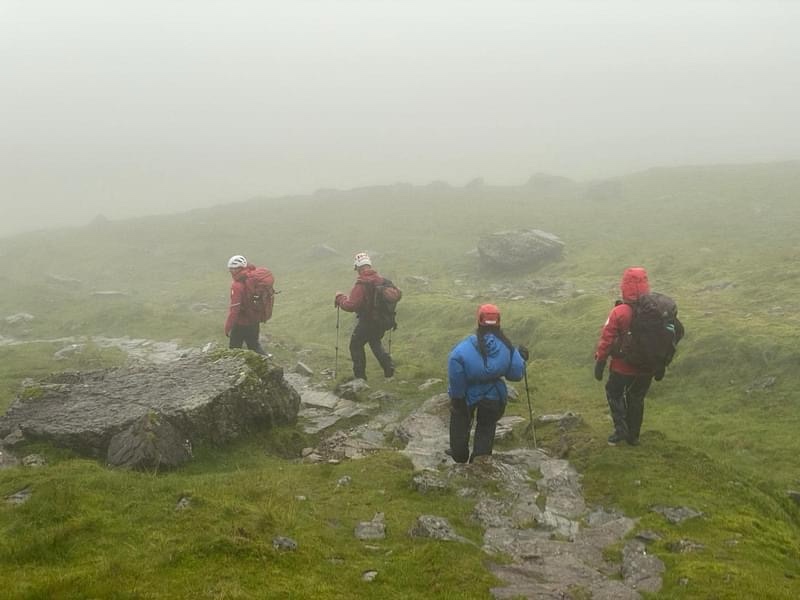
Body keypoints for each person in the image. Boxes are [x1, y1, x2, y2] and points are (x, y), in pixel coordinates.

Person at [447, 303, 527, 463]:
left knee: (460, 420)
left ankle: (459, 455)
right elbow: (516, 374)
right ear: (499, 321)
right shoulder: (507, 346)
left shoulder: (466, 346)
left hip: (468, 393)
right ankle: (480, 461)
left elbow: (455, 364)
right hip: (494, 395)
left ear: (479, 320)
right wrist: (521, 357)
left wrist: (457, 397)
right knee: (486, 426)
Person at [593, 266, 653, 446]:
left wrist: (600, 361)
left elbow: (607, 339)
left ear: (625, 286)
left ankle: (621, 429)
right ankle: (633, 436)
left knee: (614, 393)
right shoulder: (655, 311)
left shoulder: (619, 312)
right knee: (636, 398)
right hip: (646, 368)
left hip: (622, 367)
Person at [334, 252, 395, 380]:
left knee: (355, 345)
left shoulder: (362, 283)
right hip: (382, 321)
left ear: (358, 268)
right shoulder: (382, 280)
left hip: (367, 321)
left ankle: (360, 377)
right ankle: (388, 368)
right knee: (375, 341)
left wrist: (340, 298)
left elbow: (351, 305)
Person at [224, 254, 268, 355]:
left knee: (234, 350)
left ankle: (235, 366)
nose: (230, 271)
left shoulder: (237, 286)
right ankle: (268, 362)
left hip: (241, 323)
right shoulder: (252, 278)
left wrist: (228, 327)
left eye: (232, 269)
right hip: (254, 320)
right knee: (254, 346)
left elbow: (234, 309)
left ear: (238, 269)